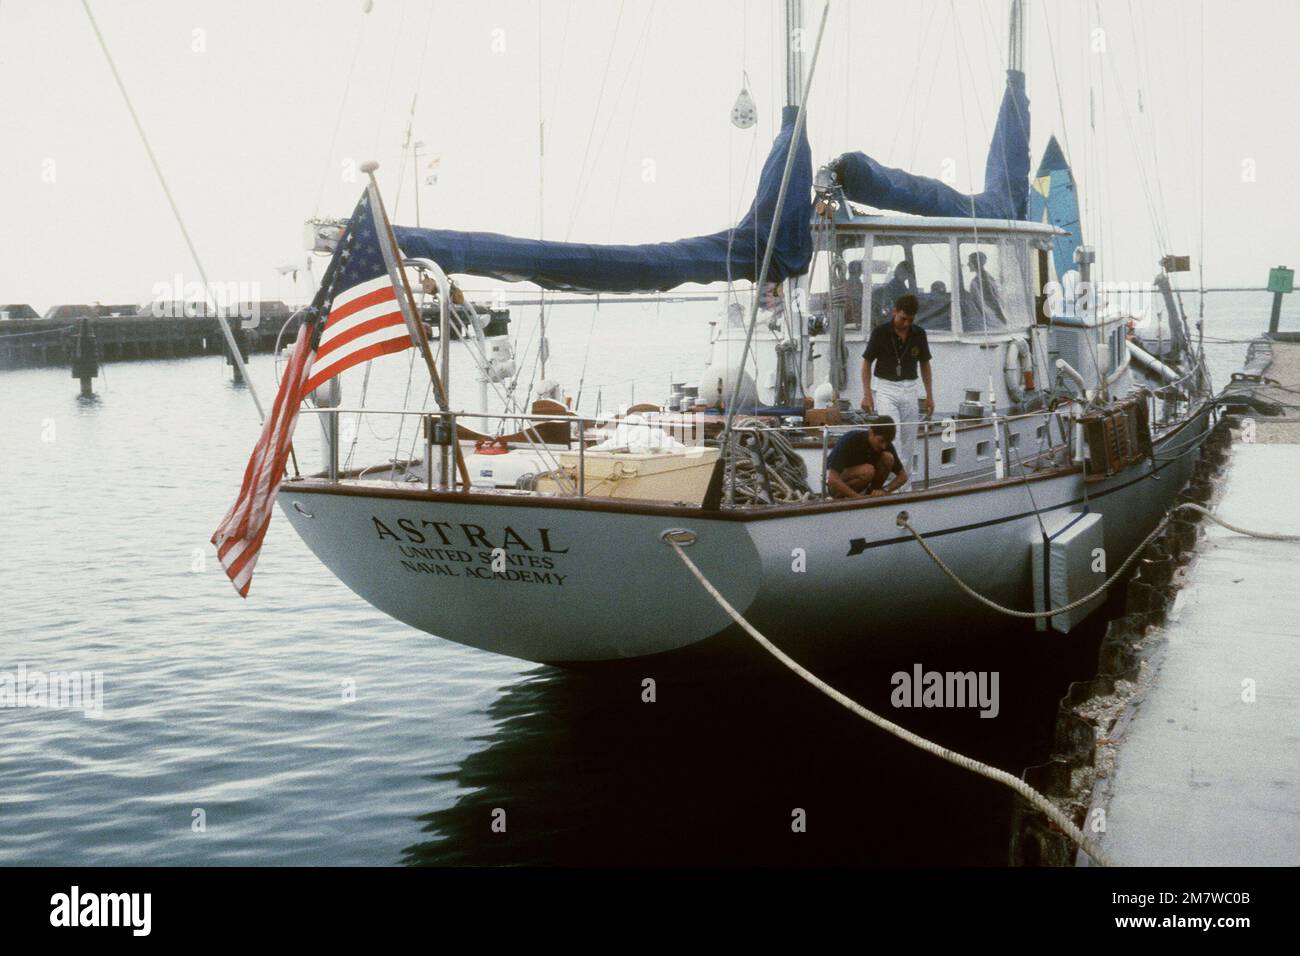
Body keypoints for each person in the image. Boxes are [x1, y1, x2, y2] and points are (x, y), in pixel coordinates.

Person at [860, 294, 934, 491]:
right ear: (894, 312)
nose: (906, 323)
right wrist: (867, 394)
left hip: (909, 387)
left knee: (909, 441)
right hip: (886, 388)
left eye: (910, 320)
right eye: (902, 318)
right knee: (893, 437)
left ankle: (905, 488)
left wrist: (929, 395)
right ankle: (887, 486)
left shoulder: (918, 334)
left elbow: (925, 364)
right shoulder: (880, 333)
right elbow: (867, 362)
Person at [825, 416, 908, 499]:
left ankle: (873, 493)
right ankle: (842, 497)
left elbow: (903, 476)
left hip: (862, 486)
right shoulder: (851, 439)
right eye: (881, 441)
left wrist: (885, 490)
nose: (884, 446)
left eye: (887, 442)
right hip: (835, 486)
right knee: (868, 470)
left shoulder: (886, 444)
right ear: (871, 432)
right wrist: (857, 498)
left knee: (888, 458)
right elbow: (833, 479)